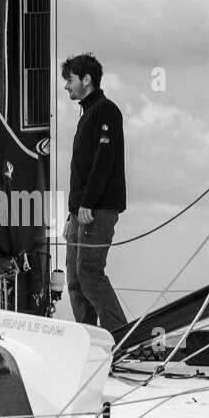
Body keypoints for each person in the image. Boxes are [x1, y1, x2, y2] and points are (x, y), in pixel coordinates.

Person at [62, 53, 126, 335]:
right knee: (75, 280)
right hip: (81, 212)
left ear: (86, 80)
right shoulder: (87, 113)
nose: (66, 87)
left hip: (96, 210)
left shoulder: (106, 110)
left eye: (70, 80)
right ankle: (90, 343)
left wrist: (87, 204)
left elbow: (104, 160)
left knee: (89, 273)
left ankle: (123, 338)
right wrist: (71, 214)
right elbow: (83, 169)